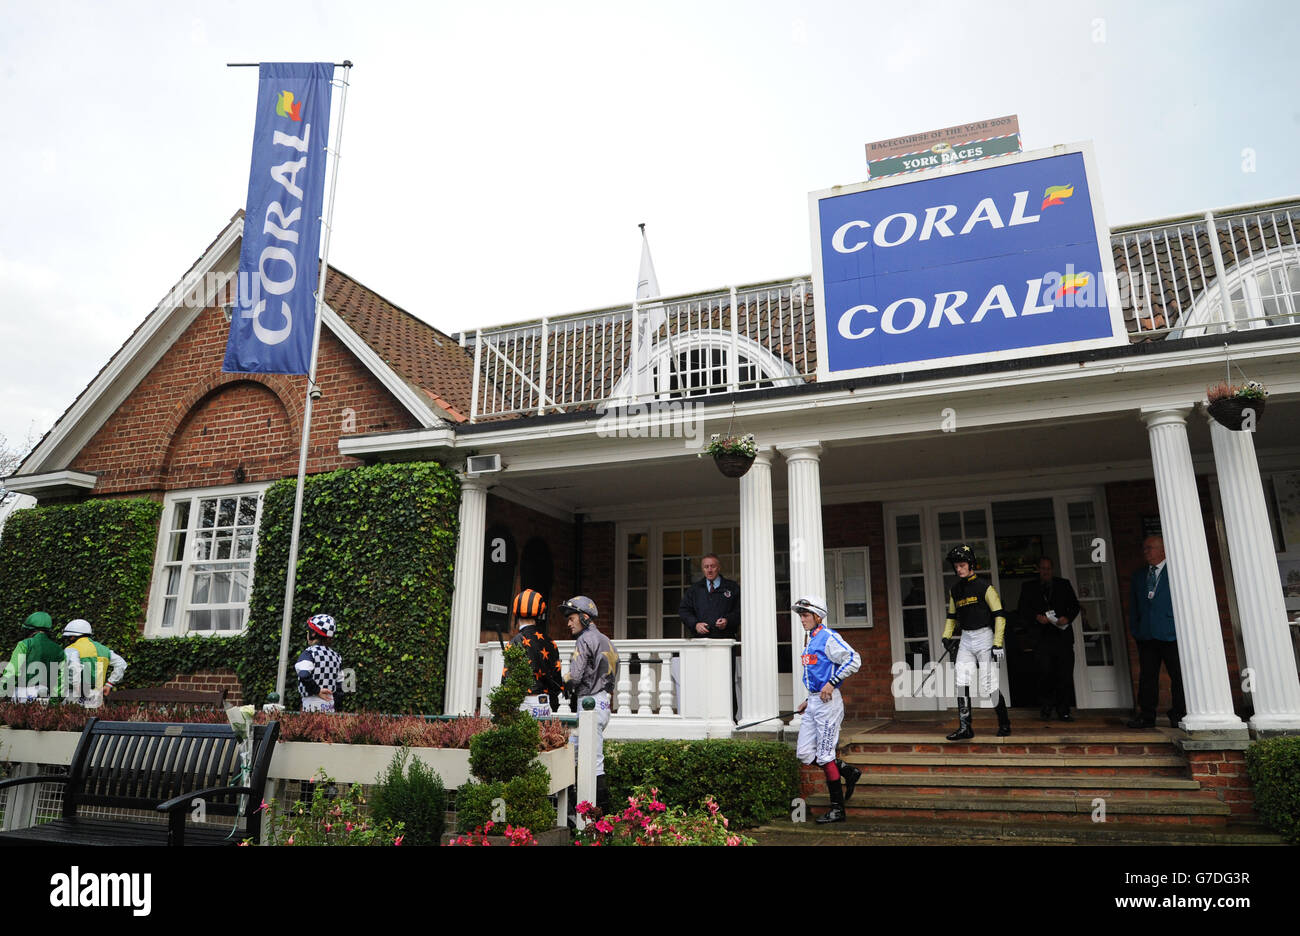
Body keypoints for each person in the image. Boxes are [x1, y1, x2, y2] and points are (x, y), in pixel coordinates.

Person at [793, 595, 861, 824]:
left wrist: (832, 683)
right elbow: (815, 673)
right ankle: (846, 771)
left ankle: (837, 809)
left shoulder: (829, 637)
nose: (801, 619)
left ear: (817, 616)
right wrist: (807, 698)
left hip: (828, 705)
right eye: (800, 615)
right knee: (804, 753)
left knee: (824, 755)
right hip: (813, 702)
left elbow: (854, 659)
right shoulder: (809, 639)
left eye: (805, 615)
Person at [942, 544, 1012, 740]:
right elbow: (951, 616)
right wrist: (946, 636)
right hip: (966, 637)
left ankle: (1004, 723)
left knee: (989, 683)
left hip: (985, 636)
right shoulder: (955, 590)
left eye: (962, 565)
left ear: (971, 564)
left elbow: (999, 615)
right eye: (956, 566)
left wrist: (998, 643)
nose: (958, 569)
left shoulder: (985, 587)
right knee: (961, 681)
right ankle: (965, 728)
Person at [562, 595, 617, 811]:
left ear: (584, 618)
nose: (568, 623)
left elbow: (575, 675)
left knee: (585, 759)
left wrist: (562, 680)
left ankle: (594, 815)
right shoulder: (606, 639)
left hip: (589, 702)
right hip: (604, 702)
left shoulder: (584, 640)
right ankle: (591, 813)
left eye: (572, 617)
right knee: (592, 756)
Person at [1127, 535, 1186, 729]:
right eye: (1144, 548)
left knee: (1177, 676)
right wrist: (1136, 629)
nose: (1146, 552)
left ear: (1163, 550)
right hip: (1146, 634)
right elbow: (1134, 606)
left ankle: (1179, 715)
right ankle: (1146, 715)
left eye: (1150, 548)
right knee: (1147, 677)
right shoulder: (1138, 575)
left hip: (1171, 633)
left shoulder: (1176, 571)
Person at [1016, 558, 1081, 721]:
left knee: (1064, 674)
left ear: (1053, 569)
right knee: (1044, 673)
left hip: (1062, 637)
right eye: (1043, 568)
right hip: (1041, 638)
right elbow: (1022, 610)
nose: (1046, 571)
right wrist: (1036, 617)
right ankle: (1046, 707)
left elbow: (1074, 606)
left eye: (1049, 568)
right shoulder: (1028, 587)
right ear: (1038, 569)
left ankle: (1064, 710)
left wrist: (1067, 618)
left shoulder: (1063, 584)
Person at [677, 553, 741, 716]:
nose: (710, 569)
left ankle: (729, 717)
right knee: (702, 681)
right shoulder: (694, 589)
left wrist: (728, 620)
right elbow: (684, 611)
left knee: (725, 681)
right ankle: (703, 716)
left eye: (712, 566)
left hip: (724, 642)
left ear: (718, 567)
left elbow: (741, 611)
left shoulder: (731, 587)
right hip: (701, 642)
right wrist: (695, 624)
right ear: (702, 569)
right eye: (706, 567)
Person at [508, 588, 563, 716]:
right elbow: (557, 679)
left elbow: (508, 677)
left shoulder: (516, 641)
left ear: (516, 612)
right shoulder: (550, 642)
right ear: (539, 613)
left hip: (523, 701)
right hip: (544, 702)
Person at [1, 612, 68, 702]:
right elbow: (62, 679)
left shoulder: (25, 644)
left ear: (29, 630)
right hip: (45, 695)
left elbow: (13, 671)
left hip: (22, 695)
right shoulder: (58, 649)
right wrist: (54, 701)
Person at [61, 619, 127, 708]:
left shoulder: (71, 649)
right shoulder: (104, 649)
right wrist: (109, 684)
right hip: (96, 696)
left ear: (73, 636)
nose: (68, 639)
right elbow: (121, 664)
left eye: (69, 637)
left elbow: (73, 671)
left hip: (74, 695)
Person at [295, 613, 343, 713]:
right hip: (330, 706)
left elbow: (304, 674)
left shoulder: (309, 653)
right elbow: (339, 686)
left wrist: (317, 690)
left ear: (313, 634)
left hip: (310, 705)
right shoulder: (337, 657)